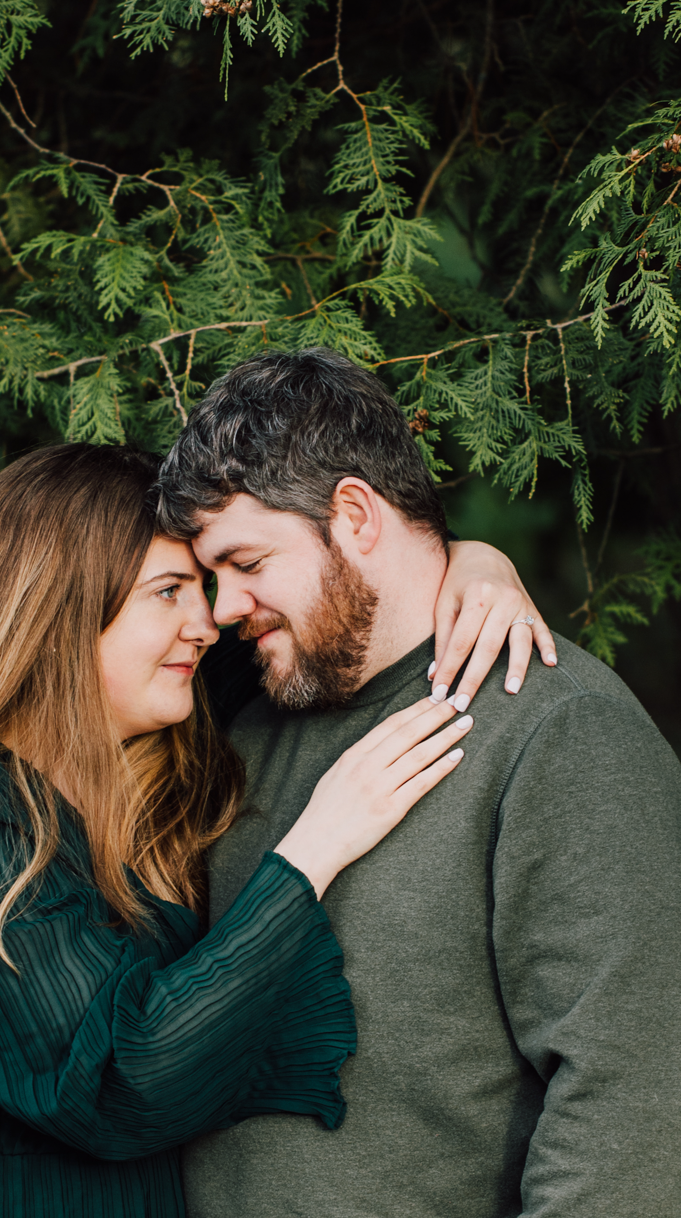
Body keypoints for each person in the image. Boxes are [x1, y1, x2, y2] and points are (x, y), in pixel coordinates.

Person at [0, 442, 543, 1218]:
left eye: (208, 587)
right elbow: (118, 1082)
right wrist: (317, 844)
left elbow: (346, 601)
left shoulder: (151, 739)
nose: (209, 622)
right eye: (170, 592)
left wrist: (473, 564)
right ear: (59, 613)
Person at [156, 348, 681, 1218]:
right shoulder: (241, 721)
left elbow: (638, 1096)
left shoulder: (554, 731)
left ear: (354, 513)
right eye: (211, 577)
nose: (220, 609)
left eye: (247, 564)